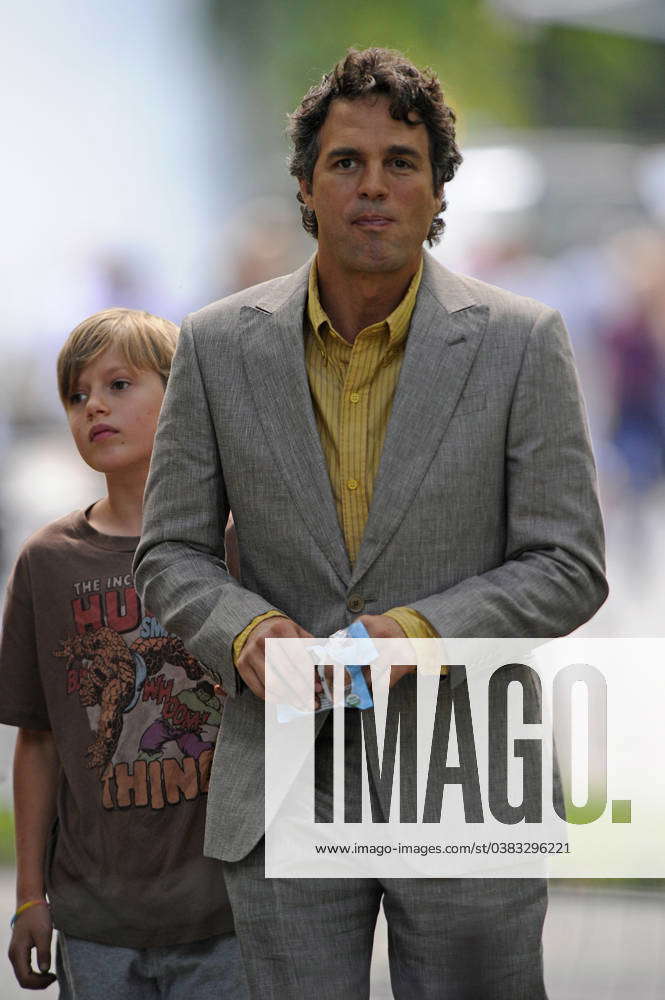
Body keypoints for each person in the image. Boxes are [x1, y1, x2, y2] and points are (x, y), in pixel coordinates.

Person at [134, 48, 608, 999]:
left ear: (437, 192)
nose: (374, 186)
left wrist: (414, 634)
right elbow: (170, 551)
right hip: (284, 770)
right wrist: (246, 631)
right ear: (306, 187)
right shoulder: (217, 345)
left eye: (401, 162)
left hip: (466, 771)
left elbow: (567, 564)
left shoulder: (521, 342)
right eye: (345, 162)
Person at [0, 308, 248, 998]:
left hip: (229, 915)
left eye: (118, 384)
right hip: (96, 922)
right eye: (76, 395)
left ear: (183, 398)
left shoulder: (241, 543)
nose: (93, 408)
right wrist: (29, 896)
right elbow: (38, 740)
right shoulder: (48, 561)